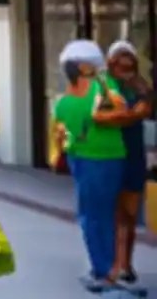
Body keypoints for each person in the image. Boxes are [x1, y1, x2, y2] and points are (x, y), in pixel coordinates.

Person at [54, 39, 131, 291]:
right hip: (99, 157)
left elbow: (63, 129)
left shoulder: (101, 88)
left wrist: (63, 149)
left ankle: (104, 271)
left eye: (71, 64)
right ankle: (106, 267)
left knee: (93, 216)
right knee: (100, 214)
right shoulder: (98, 88)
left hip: (94, 159)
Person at [105, 40, 152, 287]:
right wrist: (130, 115)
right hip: (110, 154)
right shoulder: (104, 87)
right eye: (119, 63)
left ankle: (126, 263)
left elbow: (145, 110)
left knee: (130, 214)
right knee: (115, 214)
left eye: (129, 63)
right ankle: (115, 263)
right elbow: (106, 118)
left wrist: (139, 100)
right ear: (111, 64)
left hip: (133, 155)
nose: (125, 68)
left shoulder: (140, 88)